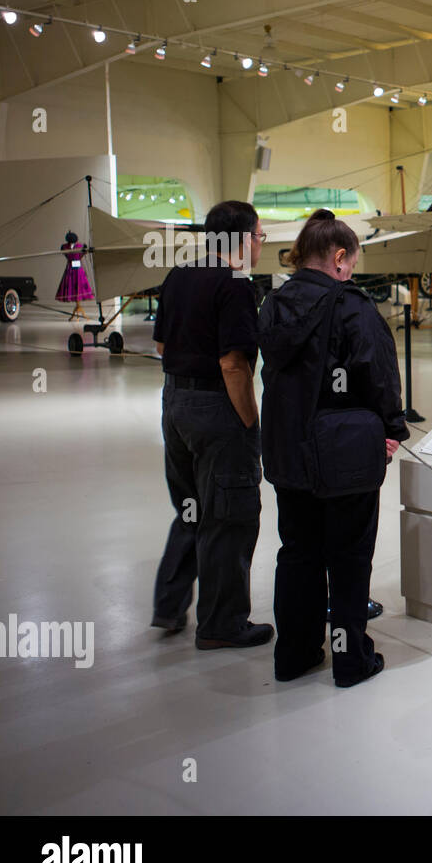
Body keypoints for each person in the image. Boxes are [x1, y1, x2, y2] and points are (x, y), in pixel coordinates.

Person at [258, 209, 408, 688]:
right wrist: (392, 428)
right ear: (340, 258)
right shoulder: (352, 307)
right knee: (347, 555)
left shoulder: (274, 304)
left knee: (297, 553)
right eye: (353, 262)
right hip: (343, 454)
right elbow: (379, 375)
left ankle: (295, 655)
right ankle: (350, 660)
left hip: (287, 451)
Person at [151, 201, 274, 650]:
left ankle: (168, 606)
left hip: (174, 402)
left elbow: (162, 343)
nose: (261, 245)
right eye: (260, 236)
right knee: (228, 515)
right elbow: (233, 362)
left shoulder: (179, 275)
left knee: (191, 508)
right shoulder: (236, 284)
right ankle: (222, 624)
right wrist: (248, 421)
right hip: (216, 408)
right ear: (242, 238)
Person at [56, 231, 95, 319]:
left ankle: (79, 305)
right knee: (72, 284)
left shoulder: (81, 246)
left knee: (79, 284)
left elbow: (82, 254)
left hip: (78, 268)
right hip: (70, 268)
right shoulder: (65, 247)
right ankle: (77, 305)